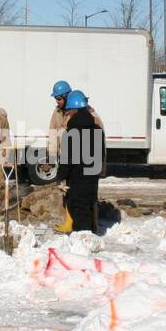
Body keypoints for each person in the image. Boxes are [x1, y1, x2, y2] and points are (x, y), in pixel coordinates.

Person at [58, 90, 105, 234]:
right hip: (92, 180)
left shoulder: (70, 133)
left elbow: (66, 161)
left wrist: (60, 178)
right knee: (90, 206)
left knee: (78, 211)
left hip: (76, 180)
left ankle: (83, 242)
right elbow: (101, 156)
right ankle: (91, 234)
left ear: (72, 109)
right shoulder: (97, 130)